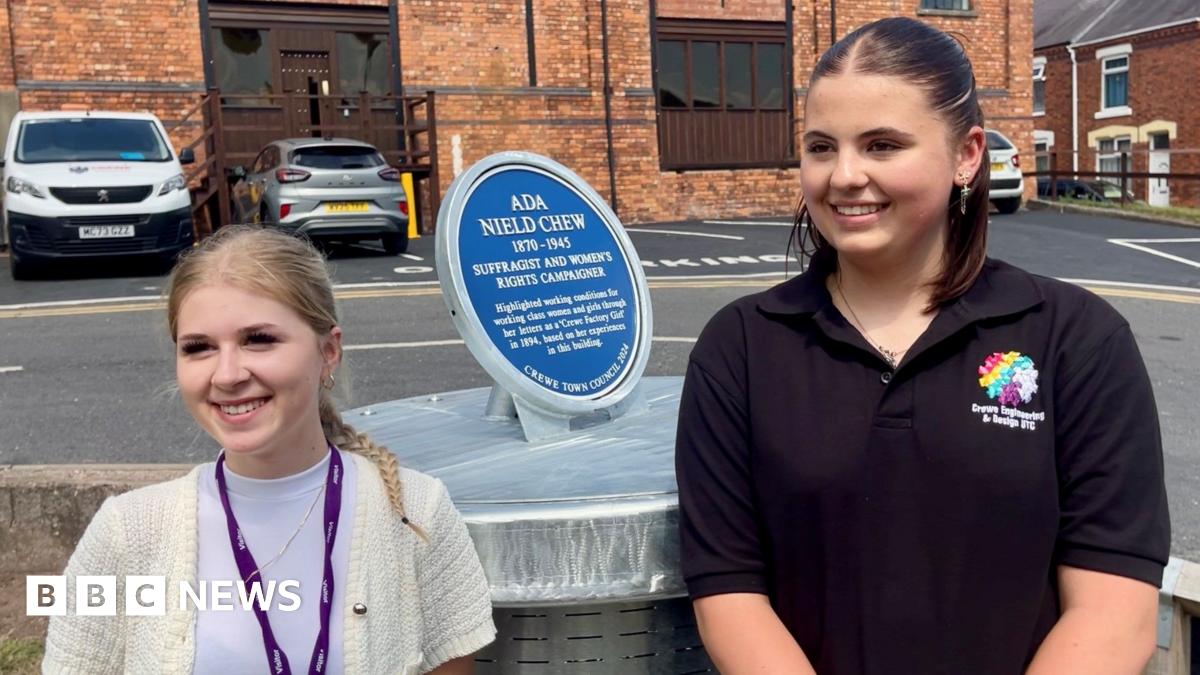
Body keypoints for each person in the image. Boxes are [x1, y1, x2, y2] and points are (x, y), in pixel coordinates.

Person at [675, 17, 1170, 675]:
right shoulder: (740, 348)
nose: (844, 175)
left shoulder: (1076, 339)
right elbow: (729, 592)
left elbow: (1115, 609)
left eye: (882, 145)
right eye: (821, 147)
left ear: (967, 154)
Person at [44, 225, 495, 674]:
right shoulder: (125, 533)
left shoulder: (417, 513)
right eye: (198, 348)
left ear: (328, 351)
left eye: (259, 340)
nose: (227, 375)